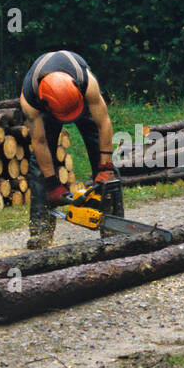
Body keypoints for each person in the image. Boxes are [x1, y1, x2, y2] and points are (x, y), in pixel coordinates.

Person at [18, 50, 119, 248]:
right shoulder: (31, 100)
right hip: (48, 108)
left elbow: (104, 123)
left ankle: (114, 227)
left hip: (80, 100)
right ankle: (41, 232)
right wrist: (52, 183)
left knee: (101, 156)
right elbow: (39, 142)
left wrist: (105, 165)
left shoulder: (86, 82)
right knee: (39, 165)